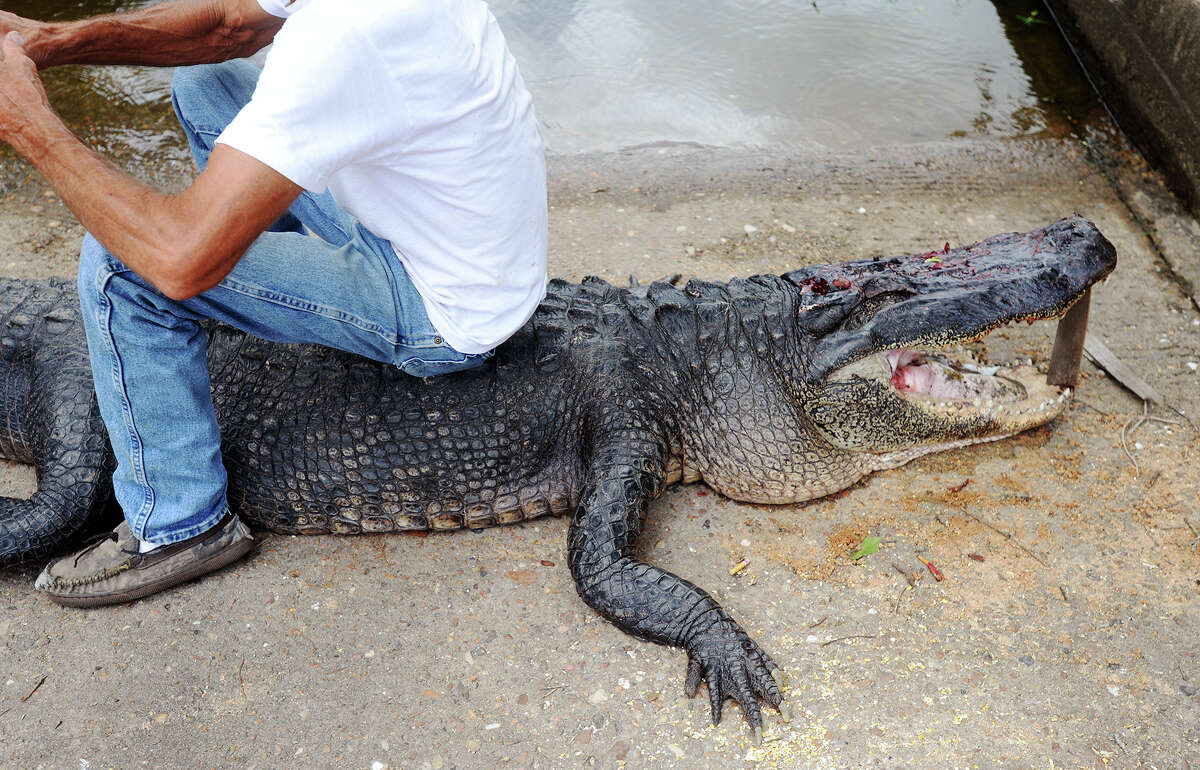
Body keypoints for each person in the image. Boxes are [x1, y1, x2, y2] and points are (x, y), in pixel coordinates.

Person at [0, 0, 547, 607]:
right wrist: (49, 39)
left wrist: (26, 121)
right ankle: (256, 296)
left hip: (443, 306)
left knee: (119, 265)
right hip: (430, 230)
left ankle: (179, 524)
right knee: (207, 82)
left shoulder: (345, 36)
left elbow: (177, 261)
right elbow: (229, 25)